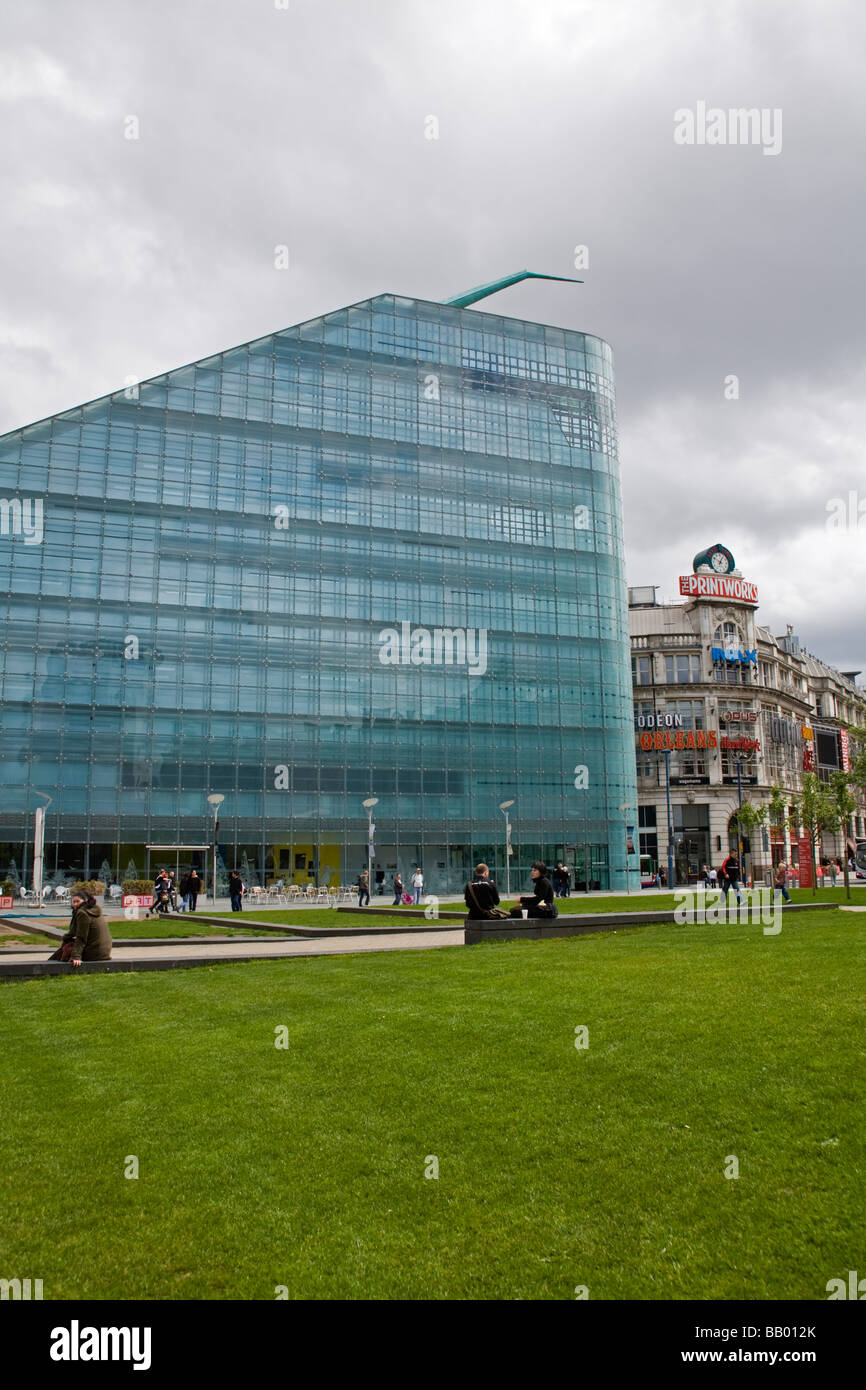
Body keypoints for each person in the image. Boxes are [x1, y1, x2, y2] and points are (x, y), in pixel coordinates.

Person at [49, 891, 112, 965]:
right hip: (103, 952)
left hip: (94, 953)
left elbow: (81, 937)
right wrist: (66, 938)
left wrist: (76, 956)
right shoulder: (94, 910)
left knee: (64, 951)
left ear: (85, 901)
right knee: (64, 949)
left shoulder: (82, 913)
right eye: (74, 902)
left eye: (77, 901)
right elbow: (73, 932)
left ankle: (46, 970)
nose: (75, 904)